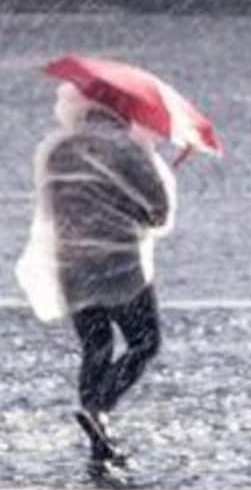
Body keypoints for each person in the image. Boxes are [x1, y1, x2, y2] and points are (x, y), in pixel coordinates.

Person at [15, 83, 178, 464]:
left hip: (71, 265)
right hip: (120, 267)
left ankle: (93, 415)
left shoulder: (57, 151)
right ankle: (100, 407)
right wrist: (151, 165)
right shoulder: (130, 150)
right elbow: (158, 212)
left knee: (96, 343)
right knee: (145, 341)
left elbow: (57, 206)